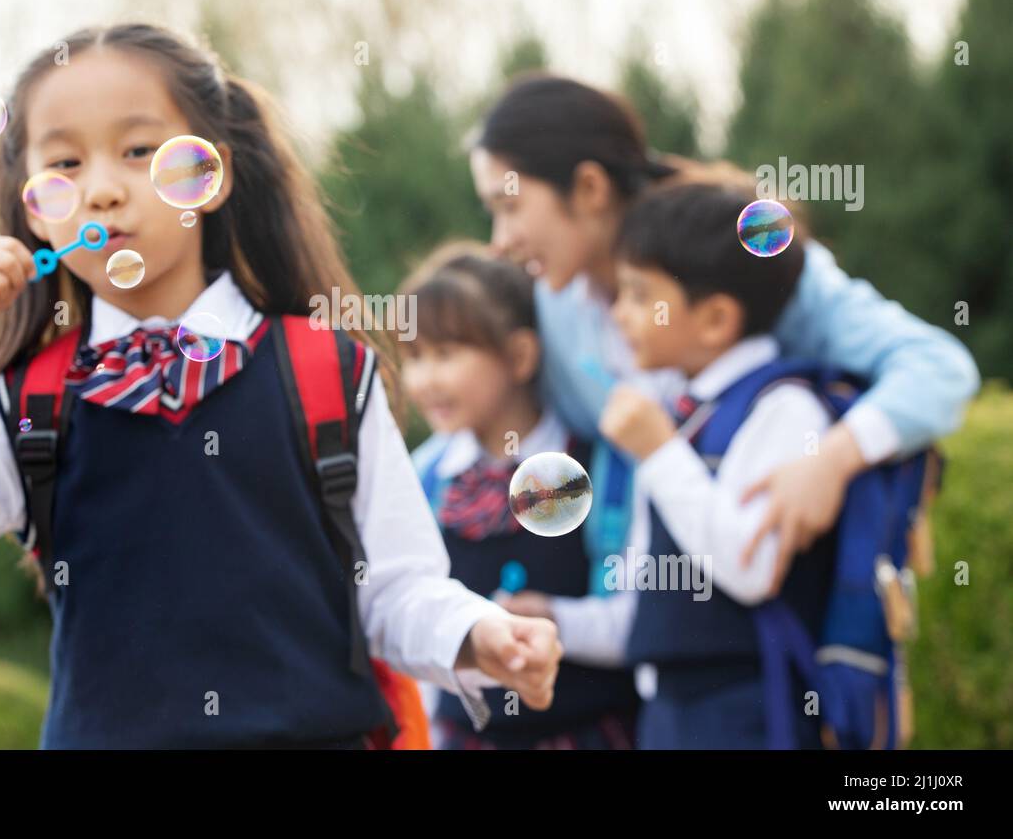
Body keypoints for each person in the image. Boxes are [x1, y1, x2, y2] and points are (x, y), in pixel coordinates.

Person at [0, 23, 561, 749]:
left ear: (215, 176)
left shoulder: (323, 370)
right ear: (31, 209)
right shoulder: (32, 403)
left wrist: (478, 634)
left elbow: (394, 590)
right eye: (67, 165)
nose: (104, 190)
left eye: (139, 151)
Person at [473, 73, 979, 595]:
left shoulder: (746, 255)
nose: (499, 242)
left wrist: (831, 460)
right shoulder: (553, 305)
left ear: (589, 188)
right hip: (637, 632)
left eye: (508, 206)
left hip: (764, 633)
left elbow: (938, 369)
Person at [598, 180, 828, 747]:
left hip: (744, 713)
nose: (619, 313)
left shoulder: (783, 407)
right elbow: (639, 594)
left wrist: (659, 452)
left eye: (637, 294)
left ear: (715, 320)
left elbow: (751, 568)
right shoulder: (682, 412)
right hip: (669, 713)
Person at [400, 242, 639, 749]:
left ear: (520, 355)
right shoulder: (423, 479)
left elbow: (639, 619)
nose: (425, 380)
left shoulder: (605, 467)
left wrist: (555, 620)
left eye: (446, 354)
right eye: (414, 357)